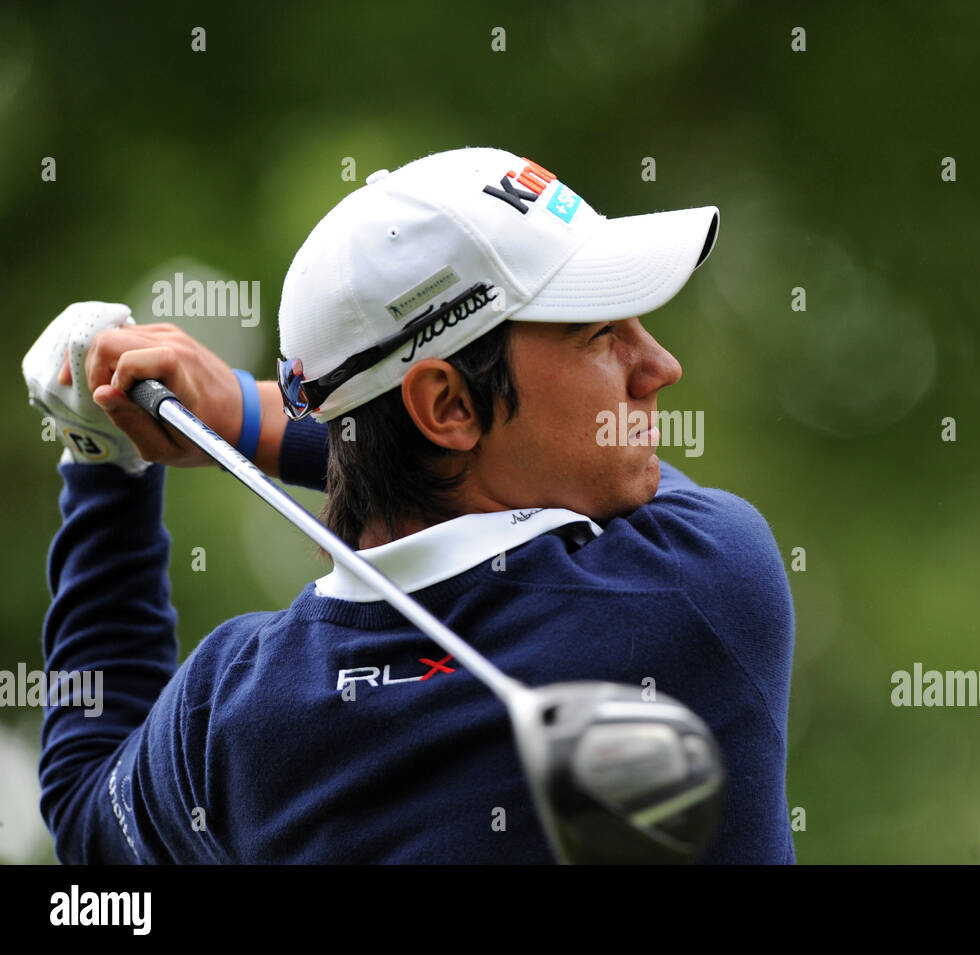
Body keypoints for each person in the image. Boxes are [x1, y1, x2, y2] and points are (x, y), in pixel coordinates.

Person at [23, 146, 796, 863]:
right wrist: (240, 416)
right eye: (600, 334)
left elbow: (84, 802)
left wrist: (100, 457)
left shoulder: (231, 713)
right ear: (449, 404)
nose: (659, 365)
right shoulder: (695, 585)